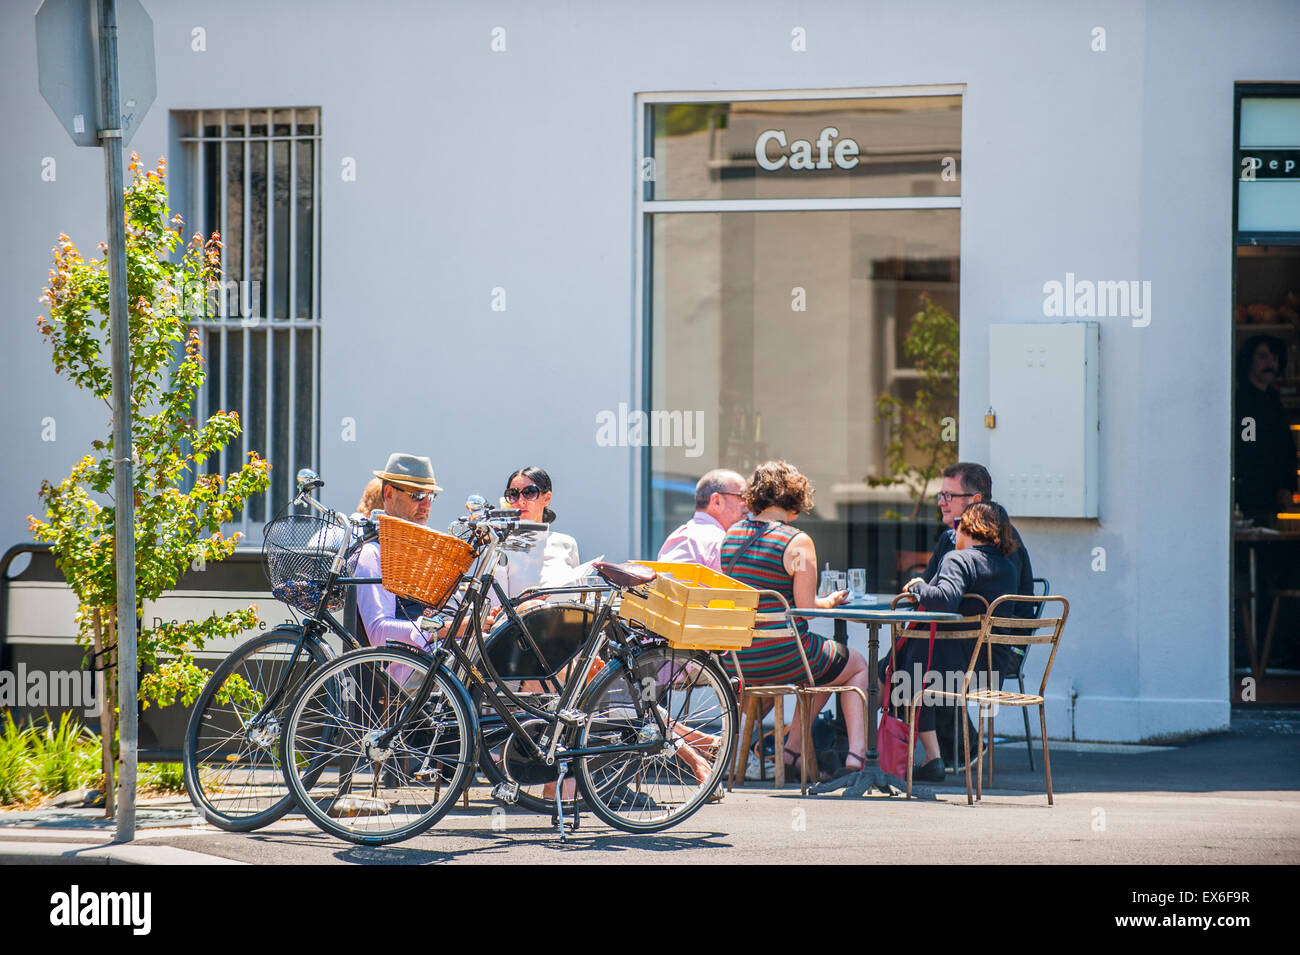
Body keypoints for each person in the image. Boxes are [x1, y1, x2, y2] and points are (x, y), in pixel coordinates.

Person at [720, 460, 871, 781]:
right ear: (794, 500)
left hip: (741, 659)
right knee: (853, 665)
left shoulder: (730, 536)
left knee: (828, 669)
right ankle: (857, 757)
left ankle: (792, 751)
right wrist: (828, 601)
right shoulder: (797, 542)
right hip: (788, 657)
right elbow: (805, 610)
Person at [889, 501, 1020, 783]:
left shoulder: (957, 558)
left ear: (969, 526)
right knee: (909, 660)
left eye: (959, 523)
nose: (954, 529)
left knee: (898, 668)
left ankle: (904, 755)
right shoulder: (1007, 567)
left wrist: (918, 587)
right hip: (988, 671)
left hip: (947, 674)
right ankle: (926, 756)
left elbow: (945, 600)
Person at [353, 453, 445, 654]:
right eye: (418, 495)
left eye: (431, 496)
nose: (426, 505)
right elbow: (379, 632)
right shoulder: (373, 553)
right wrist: (447, 628)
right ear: (388, 494)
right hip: (407, 671)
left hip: (433, 661)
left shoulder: (417, 552)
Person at [494, 467, 582, 603]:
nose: (521, 501)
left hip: (569, 622)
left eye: (529, 493)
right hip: (521, 624)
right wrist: (523, 604)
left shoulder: (567, 543)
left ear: (547, 498)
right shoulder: (500, 547)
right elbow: (495, 612)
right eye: (513, 494)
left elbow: (579, 599)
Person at [1234, 335, 1296, 526]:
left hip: (1272, 498)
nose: (1271, 363)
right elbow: (1248, 445)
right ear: (1249, 361)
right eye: (1263, 357)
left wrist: (1287, 485)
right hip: (1251, 499)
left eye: (1275, 358)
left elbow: (1287, 447)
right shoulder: (1244, 401)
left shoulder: (1274, 401)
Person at [657, 469, 749, 570]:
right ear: (717, 501)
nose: (748, 505)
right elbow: (671, 582)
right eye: (743, 496)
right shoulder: (706, 540)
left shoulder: (685, 536)